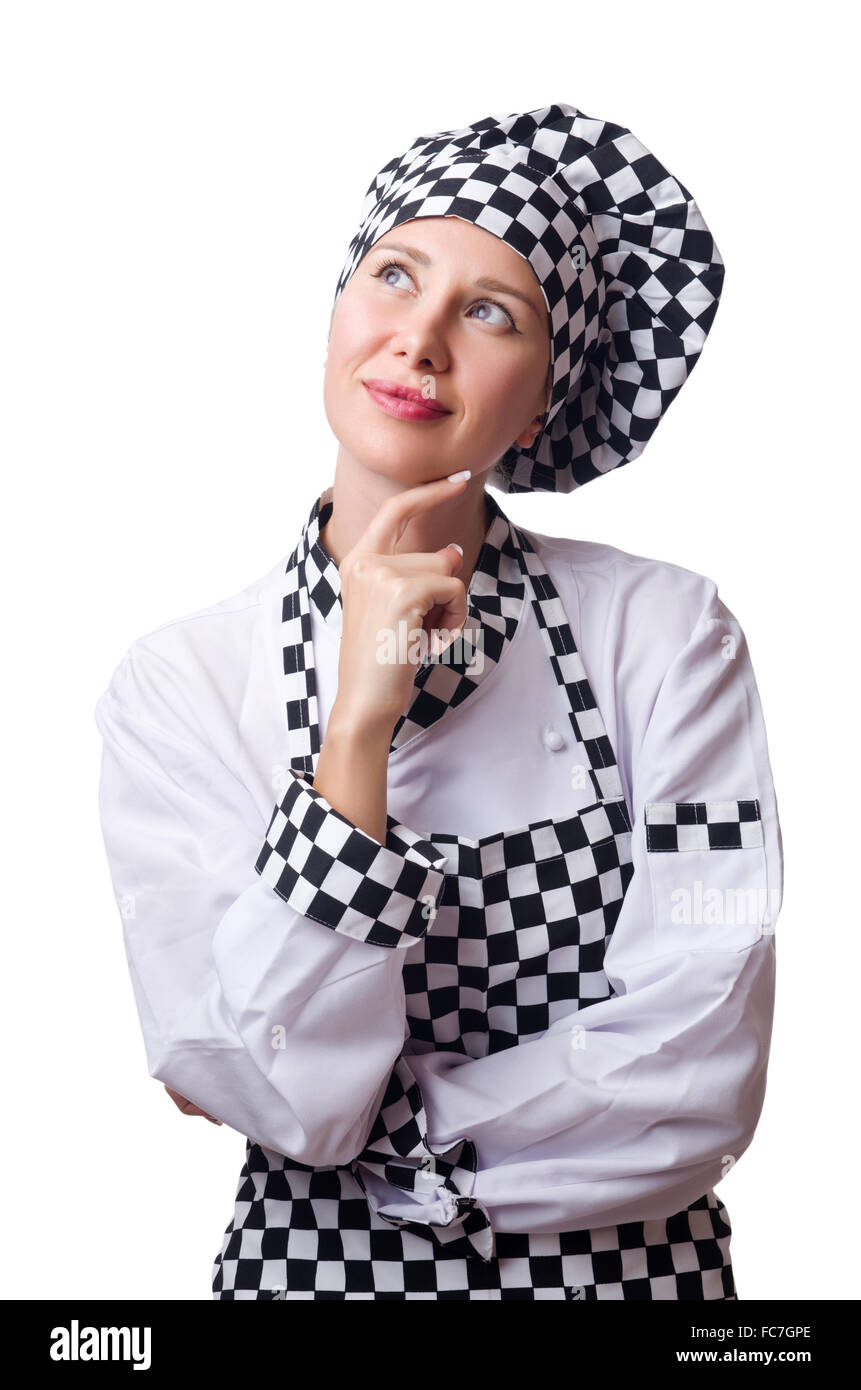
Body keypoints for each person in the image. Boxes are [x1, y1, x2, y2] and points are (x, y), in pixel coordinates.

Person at [94, 102, 782, 1300]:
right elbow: (264, 1089)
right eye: (395, 275)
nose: (418, 340)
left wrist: (368, 1135)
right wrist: (357, 728)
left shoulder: (668, 638)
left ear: (546, 401)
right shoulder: (181, 683)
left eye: (488, 310)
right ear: (333, 316)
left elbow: (700, 1054)